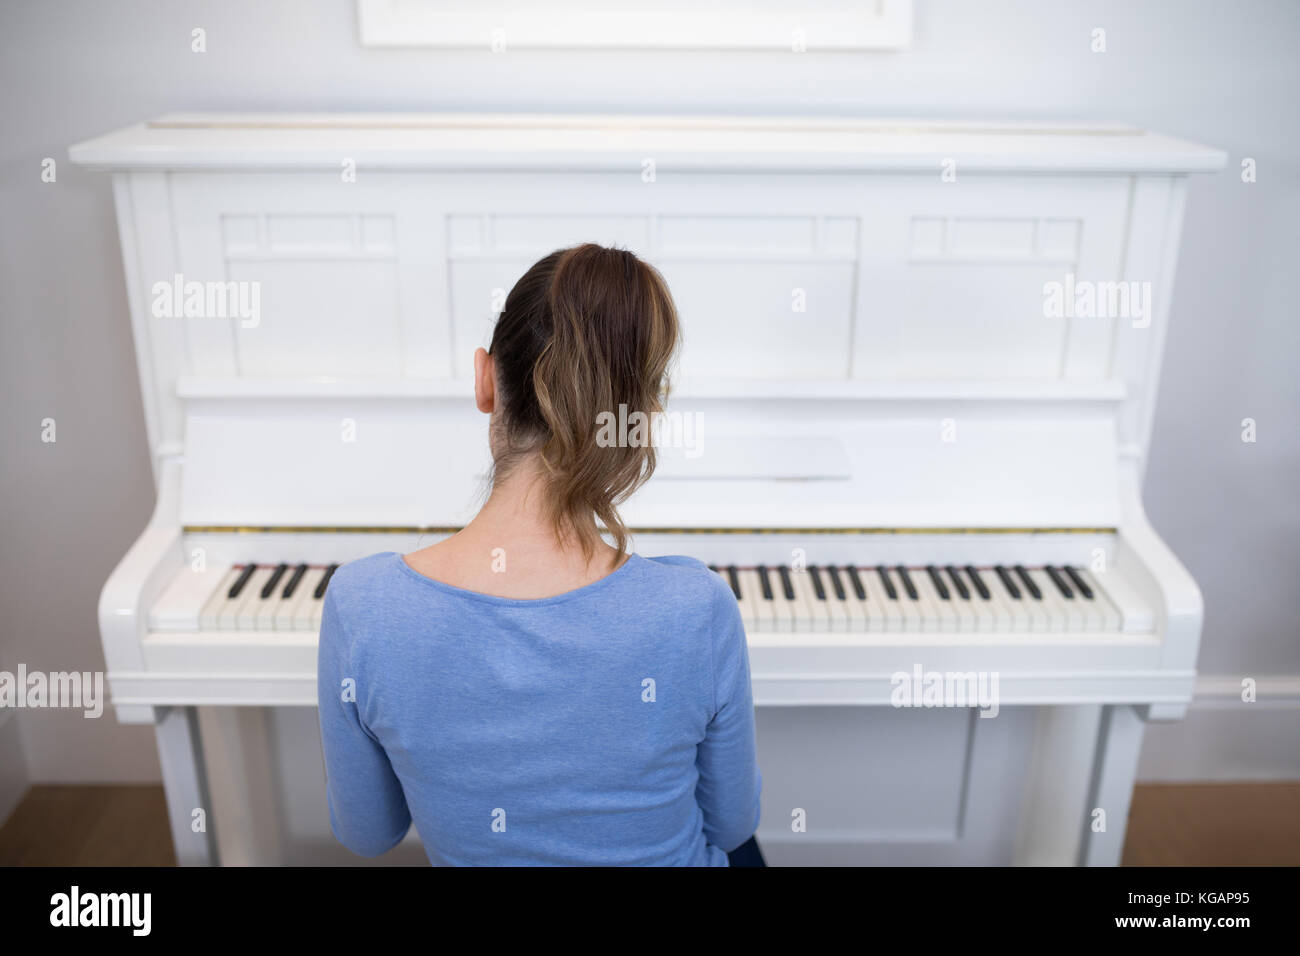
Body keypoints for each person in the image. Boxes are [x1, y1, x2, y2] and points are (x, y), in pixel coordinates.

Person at [318, 243, 762, 865]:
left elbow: (369, 834)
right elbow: (733, 821)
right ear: (642, 412)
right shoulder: (697, 607)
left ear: (484, 380)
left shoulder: (361, 606)